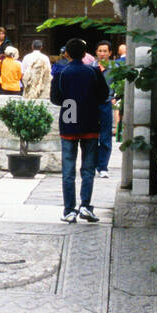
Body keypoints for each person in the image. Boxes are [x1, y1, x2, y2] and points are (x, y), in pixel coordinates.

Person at [51, 37, 109, 224]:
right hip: (90, 120)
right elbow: (104, 95)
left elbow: (56, 98)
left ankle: (69, 209)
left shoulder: (62, 73)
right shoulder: (93, 73)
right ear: (85, 54)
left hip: (69, 118)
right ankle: (85, 205)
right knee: (88, 168)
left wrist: (71, 102)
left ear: (66, 53)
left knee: (68, 169)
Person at [94, 40, 116, 178]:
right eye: (100, 51)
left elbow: (120, 84)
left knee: (105, 136)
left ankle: (103, 166)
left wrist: (115, 97)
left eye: (105, 51)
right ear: (96, 52)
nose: (102, 53)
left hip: (106, 103)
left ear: (110, 53)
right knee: (91, 136)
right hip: (92, 104)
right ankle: (92, 164)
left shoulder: (115, 68)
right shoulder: (90, 67)